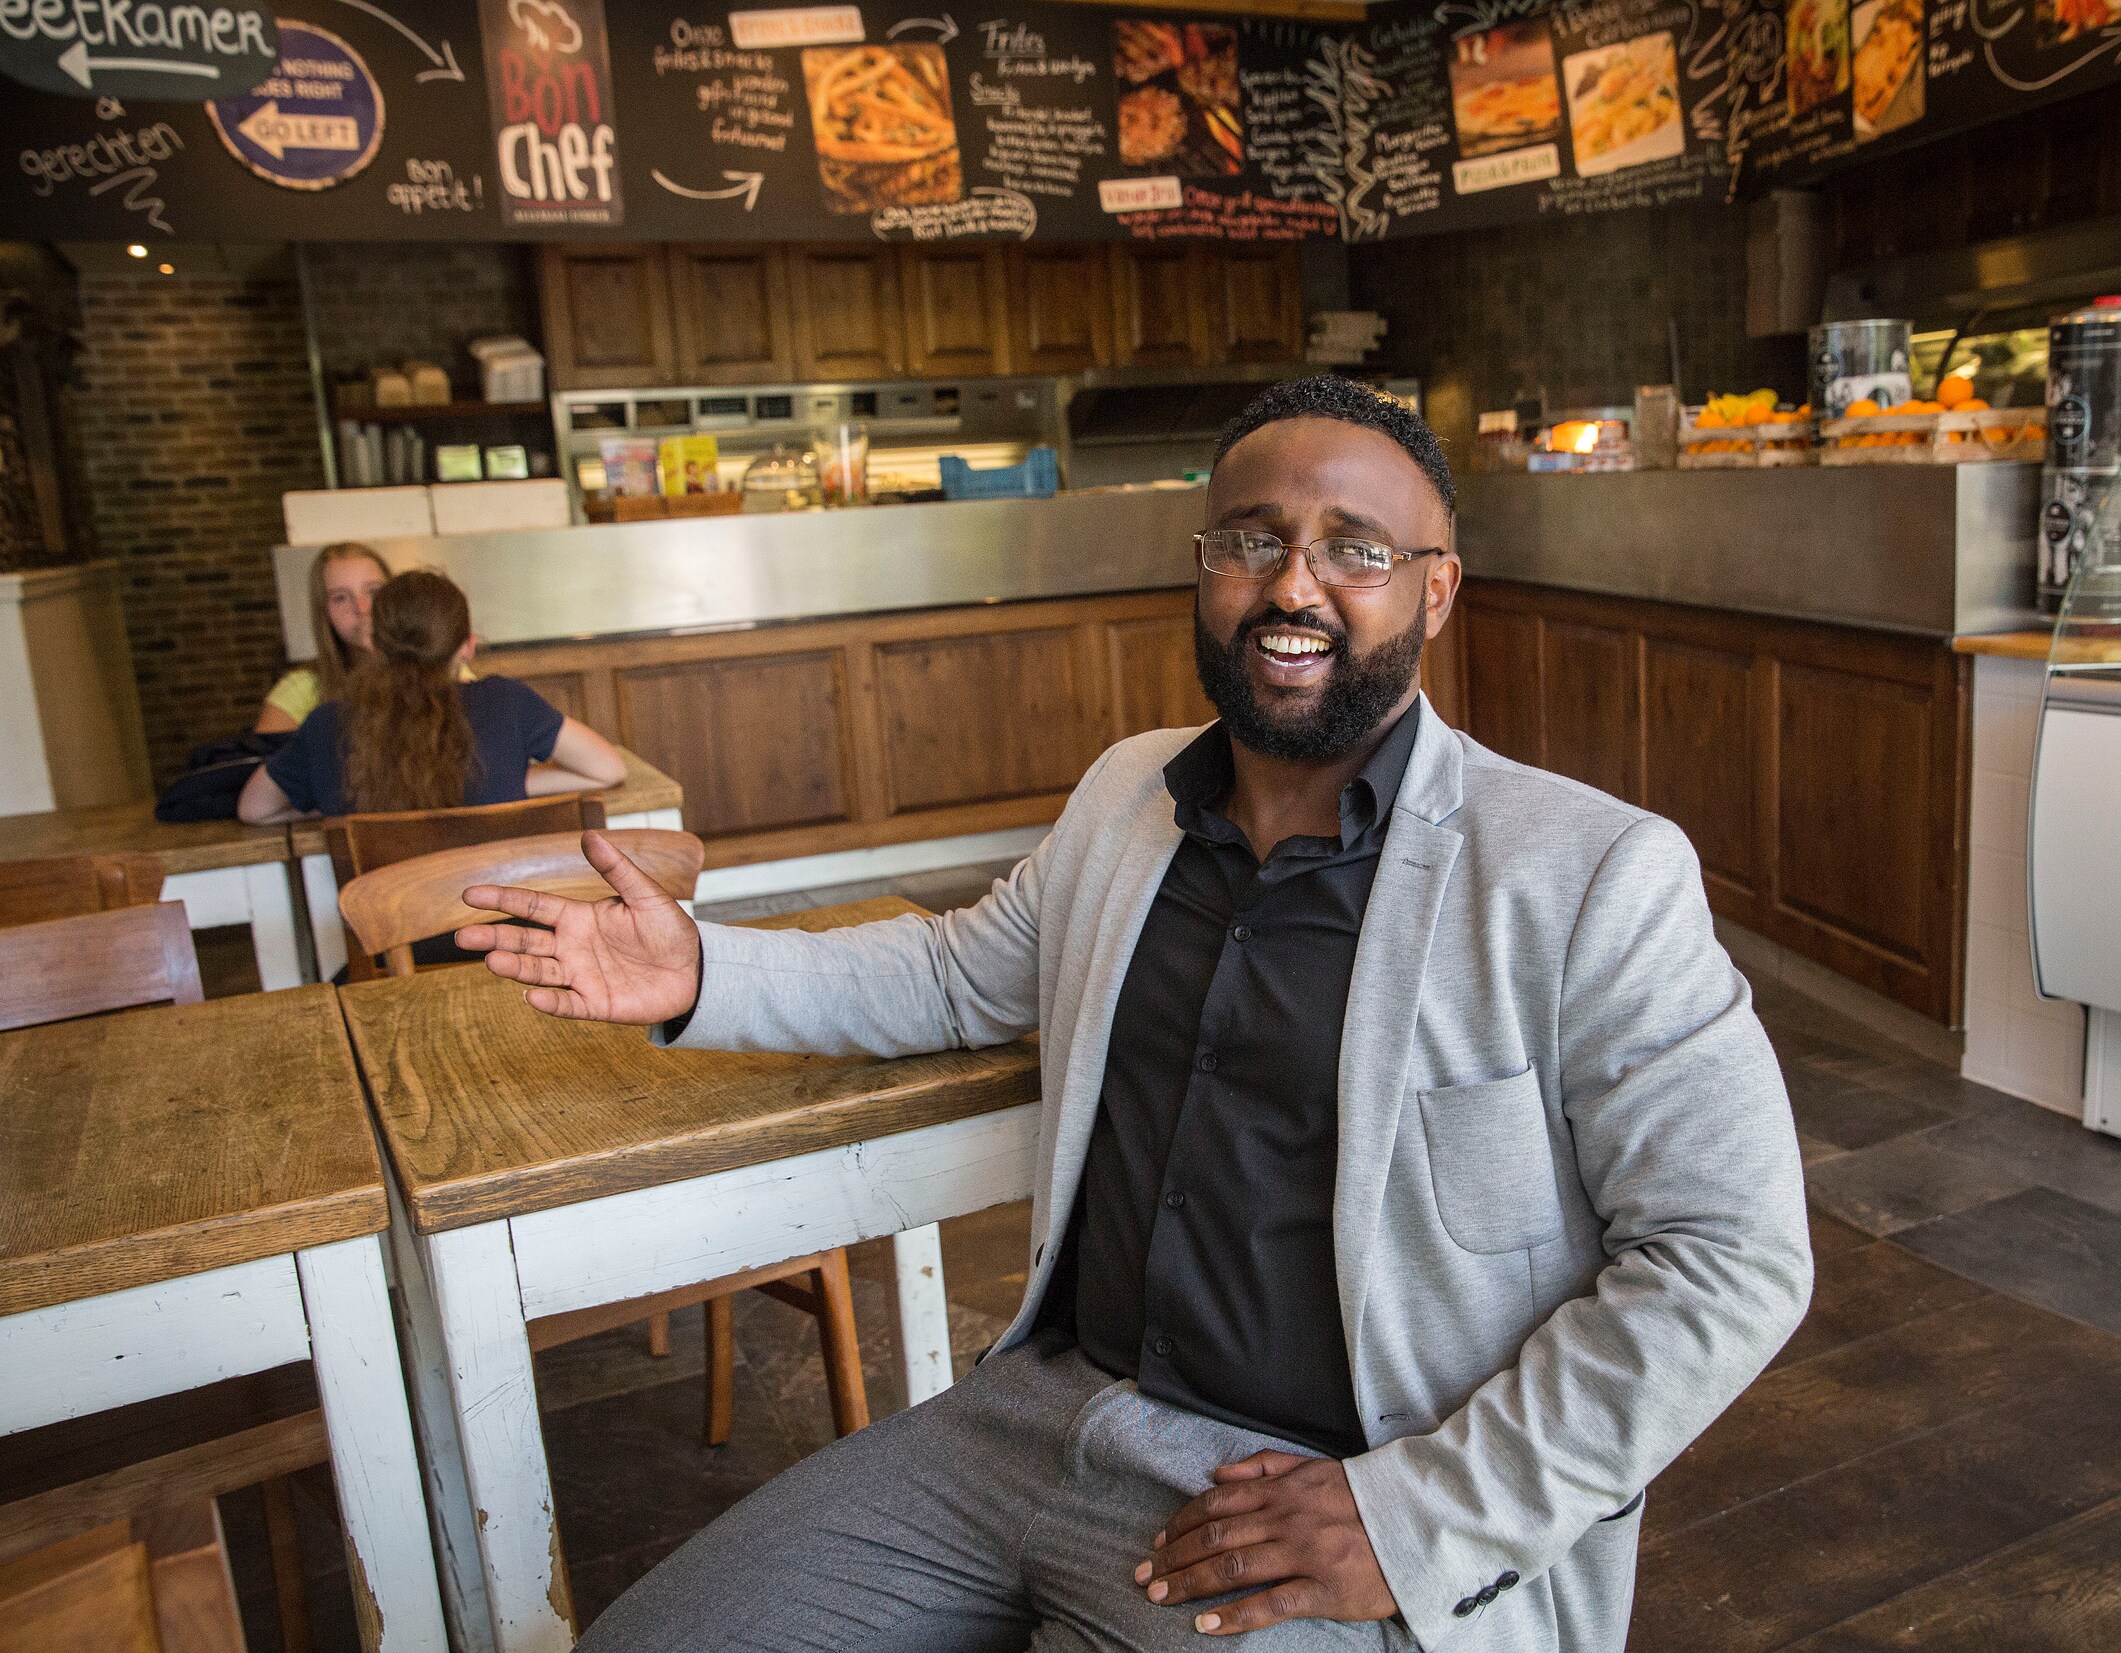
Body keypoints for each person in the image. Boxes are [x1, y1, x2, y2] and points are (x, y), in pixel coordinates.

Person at [460, 376, 1811, 1653]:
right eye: (1253, 540)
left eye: (1355, 548)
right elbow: (950, 976)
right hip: (1033, 1418)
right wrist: (701, 969)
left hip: (1317, 1490)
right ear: (1202, 567)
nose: (1294, 584)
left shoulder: (1585, 873)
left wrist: (1420, 1513)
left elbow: (1731, 1252)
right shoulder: (1125, 799)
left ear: (1436, 590)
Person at [239, 568, 625, 824]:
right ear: (468, 646)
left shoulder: (327, 724)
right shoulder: (506, 704)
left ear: (376, 645)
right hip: (502, 937)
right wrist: (512, 780)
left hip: (389, 943)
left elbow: (253, 809)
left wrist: (320, 800)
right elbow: (607, 769)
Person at [256, 541, 389, 734]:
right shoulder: (302, 689)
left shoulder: (433, 671)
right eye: (340, 598)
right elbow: (268, 762)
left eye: (373, 591)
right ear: (324, 613)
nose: (362, 608)